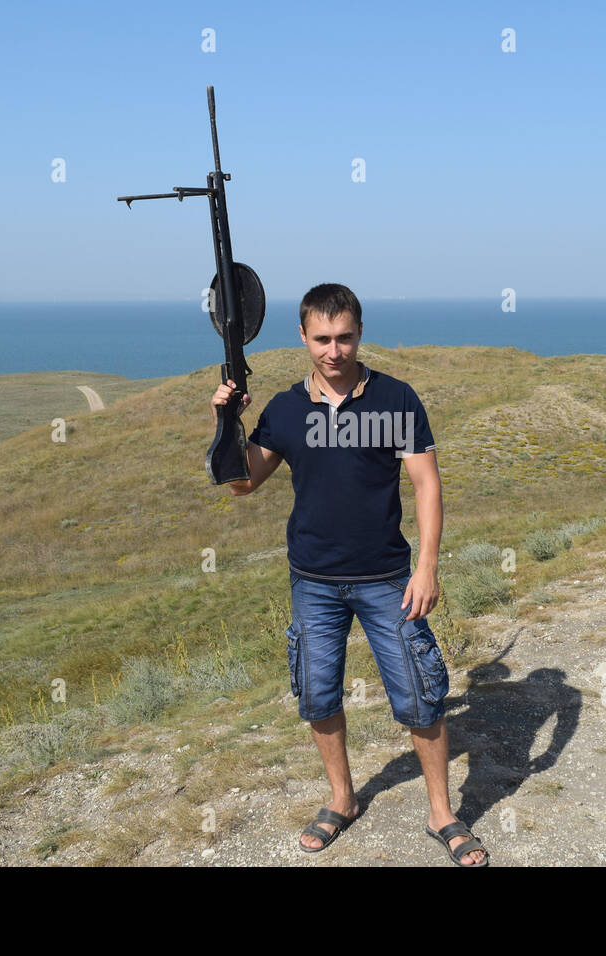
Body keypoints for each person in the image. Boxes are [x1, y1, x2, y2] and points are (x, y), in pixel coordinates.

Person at [209, 283, 488, 867]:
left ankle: (441, 812)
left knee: (420, 694)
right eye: (322, 339)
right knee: (317, 693)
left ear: (359, 333)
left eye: (345, 338)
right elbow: (241, 483)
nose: (334, 351)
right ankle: (343, 799)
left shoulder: (397, 399)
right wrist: (225, 422)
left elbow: (427, 484)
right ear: (303, 337)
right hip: (312, 579)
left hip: (387, 577)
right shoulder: (285, 409)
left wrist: (428, 566)